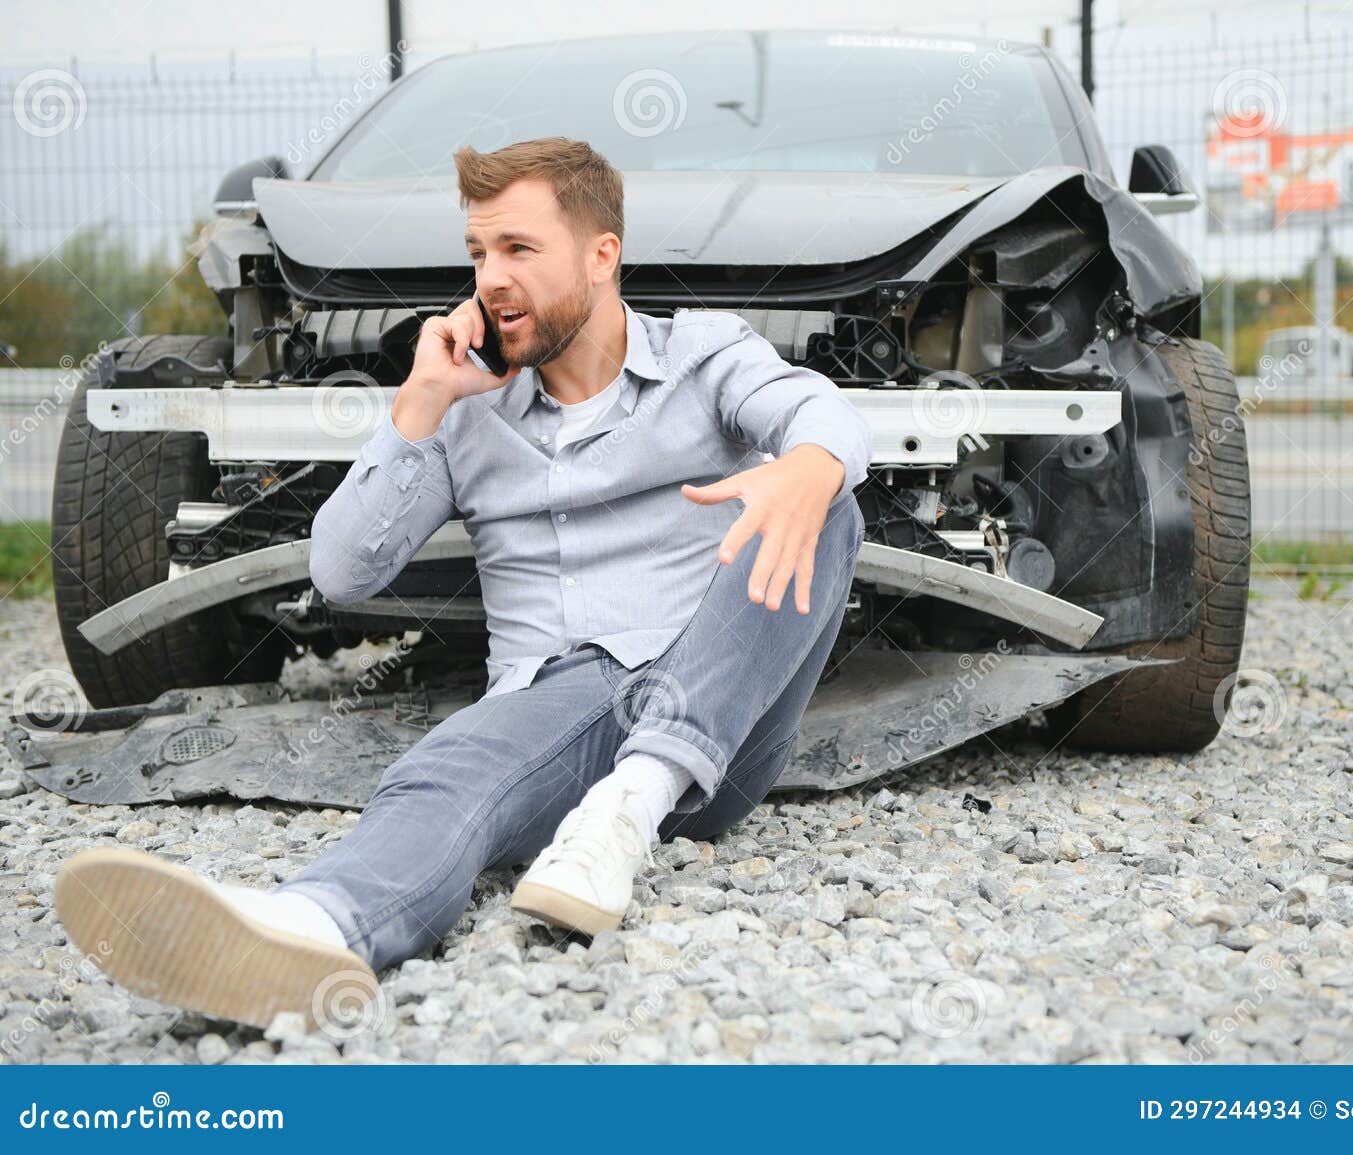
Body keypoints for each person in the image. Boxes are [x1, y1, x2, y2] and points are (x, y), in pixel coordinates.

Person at [53, 137, 871, 1031]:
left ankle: (633, 800)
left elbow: (822, 414)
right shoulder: (463, 407)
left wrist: (809, 465)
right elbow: (341, 571)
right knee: (447, 771)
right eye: (479, 253)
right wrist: (419, 404)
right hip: (554, 713)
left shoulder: (704, 357)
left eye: (518, 248)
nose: (491, 278)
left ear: (601, 256)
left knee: (824, 497)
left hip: (717, 734)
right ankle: (305, 930)